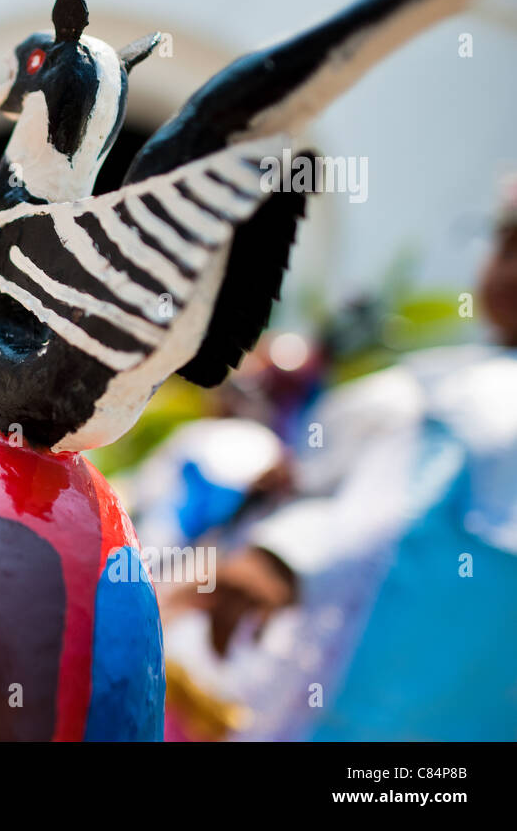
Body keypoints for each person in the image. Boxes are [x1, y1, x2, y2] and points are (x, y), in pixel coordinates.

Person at [166, 177, 517, 740]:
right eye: (507, 245)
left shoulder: (471, 401)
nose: (510, 271)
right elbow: (353, 500)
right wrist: (279, 550)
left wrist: (281, 554)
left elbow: (382, 516)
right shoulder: (444, 388)